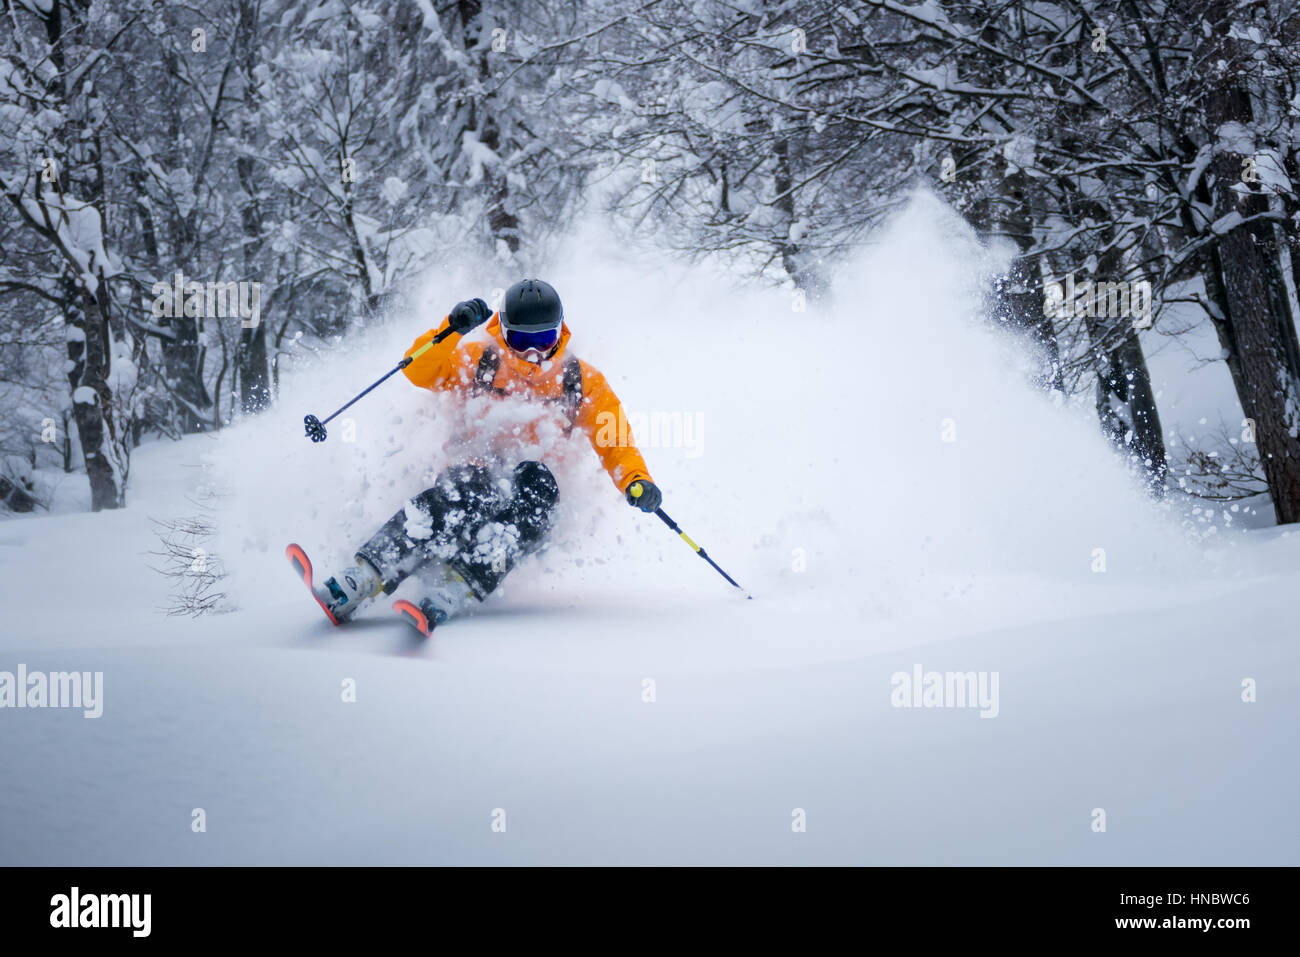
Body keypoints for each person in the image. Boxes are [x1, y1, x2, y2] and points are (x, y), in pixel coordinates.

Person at [317, 278, 661, 631]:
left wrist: (636, 480)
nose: (533, 353)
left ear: (561, 332)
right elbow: (418, 369)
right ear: (503, 330)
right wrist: (451, 329)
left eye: (543, 340)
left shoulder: (580, 379)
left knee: (538, 486)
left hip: (531, 497)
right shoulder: (480, 360)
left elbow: (614, 438)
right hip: (469, 474)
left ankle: (457, 586)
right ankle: (364, 575)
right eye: (521, 341)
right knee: (470, 489)